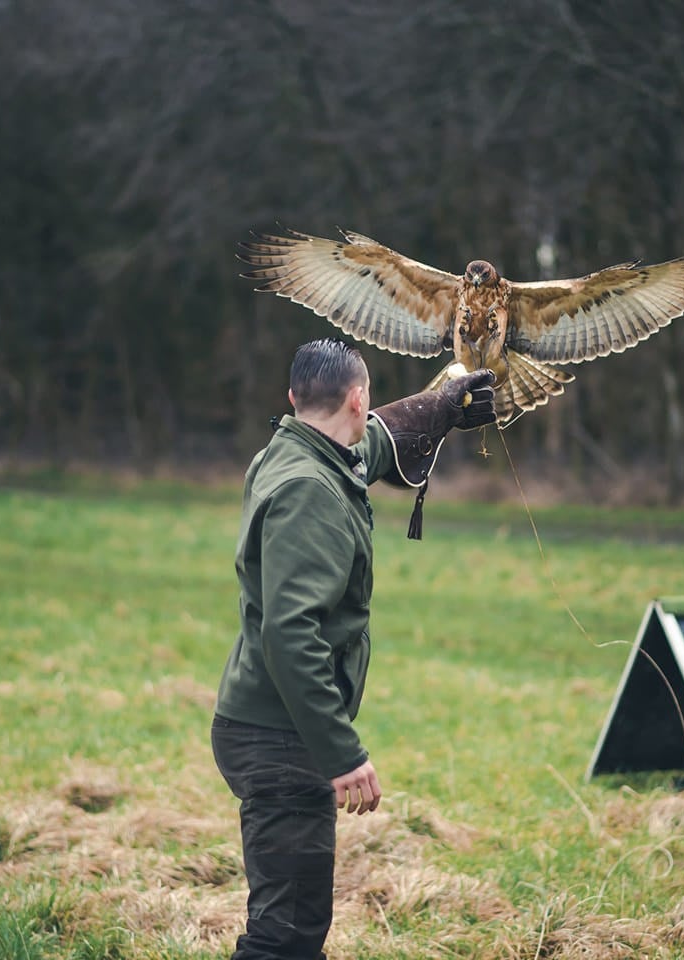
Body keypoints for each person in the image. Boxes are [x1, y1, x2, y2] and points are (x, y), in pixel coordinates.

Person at [211, 338, 495, 960]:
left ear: (294, 397)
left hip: (270, 725)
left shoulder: (292, 450)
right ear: (357, 399)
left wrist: (443, 405)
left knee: (294, 928)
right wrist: (342, 754)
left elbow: (373, 442)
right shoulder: (308, 492)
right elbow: (290, 634)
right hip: (281, 738)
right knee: (285, 937)